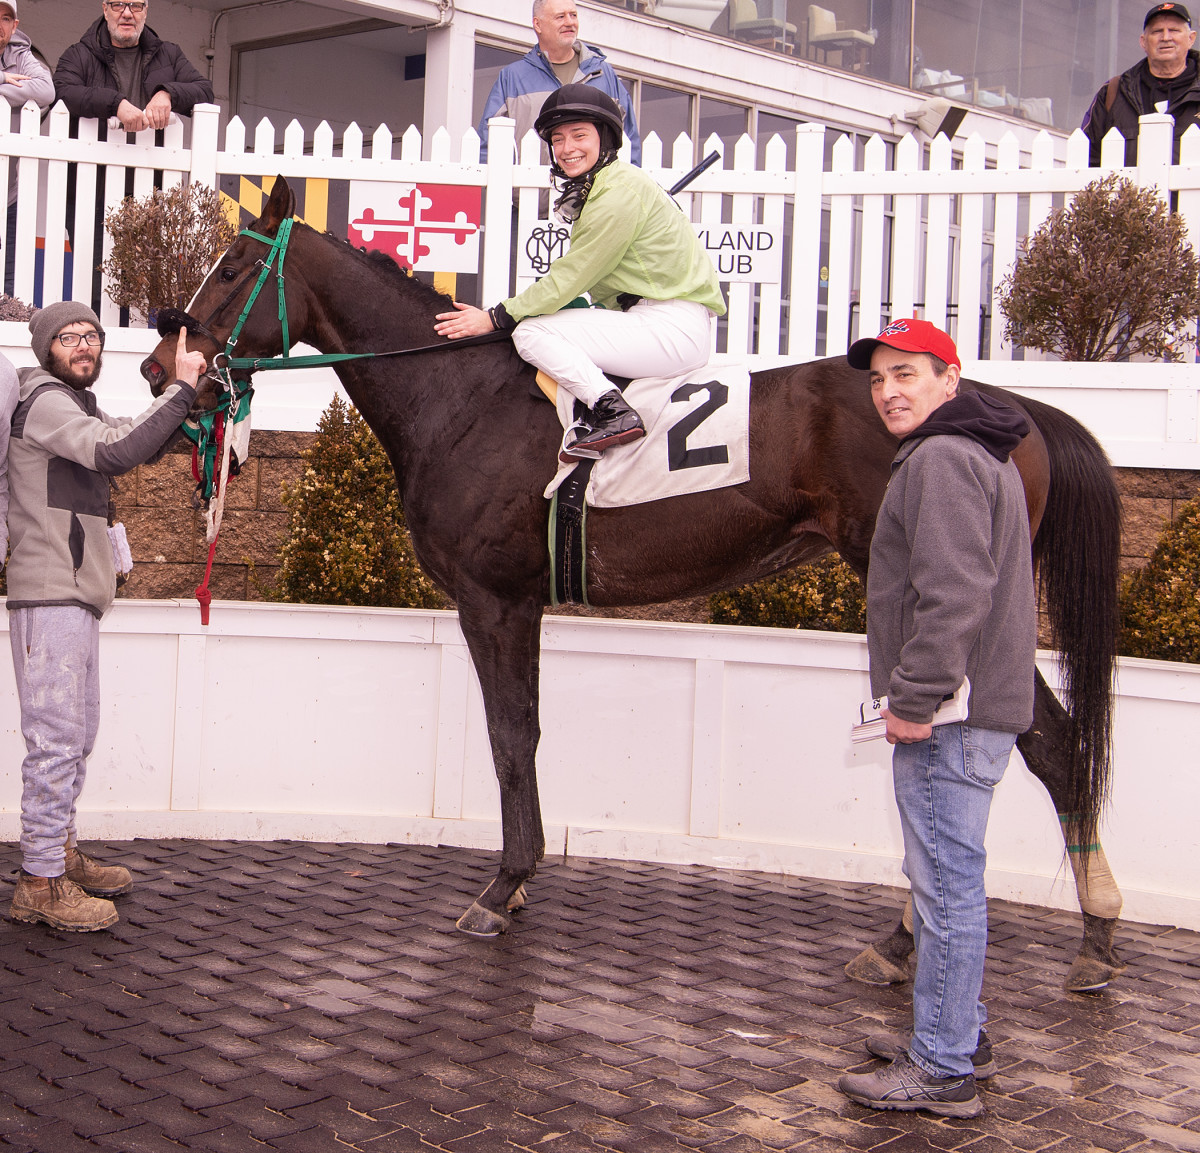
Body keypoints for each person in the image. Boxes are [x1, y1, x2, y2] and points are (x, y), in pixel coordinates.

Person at [836, 319, 1036, 1119]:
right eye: (880, 377)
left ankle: (943, 1068)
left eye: (908, 374)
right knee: (953, 883)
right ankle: (960, 1033)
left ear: (949, 381)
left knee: (945, 891)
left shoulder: (945, 459)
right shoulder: (973, 450)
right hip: (971, 711)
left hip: (948, 718)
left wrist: (913, 702)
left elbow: (954, 595)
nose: (888, 390)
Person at [6, 302, 203, 932]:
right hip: (50, 594)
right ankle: (39, 880)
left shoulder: (76, 406)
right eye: (69, 337)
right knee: (56, 742)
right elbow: (117, 451)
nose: (83, 346)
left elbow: (132, 434)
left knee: (76, 735)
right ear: (45, 347)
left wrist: (190, 405)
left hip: (75, 595)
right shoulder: (45, 402)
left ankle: (55, 852)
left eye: (91, 336)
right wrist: (181, 387)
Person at [436, 85, 724, 462]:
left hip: (669, 326)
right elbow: (591, 281)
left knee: (531, 332)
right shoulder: (611, 186)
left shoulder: (619, 191)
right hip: (656, 319)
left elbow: (572, 275)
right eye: (557, 139)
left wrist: (495, 317)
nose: (566, 147)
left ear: (603, 138)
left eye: (578, 135)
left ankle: (612, 411)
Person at [478, 0, 640, 165]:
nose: (569, 22)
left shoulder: (605, 75)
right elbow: (489, 143)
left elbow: (629, 140)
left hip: (595, 190)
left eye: (573, 15)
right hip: (530, 188)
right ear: (538, 24)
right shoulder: (511, 78)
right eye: (560, 17)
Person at [53, 0, 213, 132]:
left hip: (152, 166)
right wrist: (115, 104)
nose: (127, 14)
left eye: (136, 6)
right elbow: (60, 92)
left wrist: (167, 93)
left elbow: (205, 91)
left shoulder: (169, 54)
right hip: (93, 166)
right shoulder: (79, 54)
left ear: (145, 11)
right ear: (105, 9)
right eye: (118, 5)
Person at [1082, 3, 1200, 166]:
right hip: (1126, 192)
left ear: (1191, 38)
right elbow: (1086, 157)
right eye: (1157, 31)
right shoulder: (1114, 92)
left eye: (1174, 30)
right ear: (1143, 42)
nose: (1166, 37)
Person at [1, 0, 54, 295]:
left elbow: (45, 90)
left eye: (6, 18)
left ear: (14, 25)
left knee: (10, 284)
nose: (0, 24)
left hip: (8, 197)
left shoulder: (20, 54)